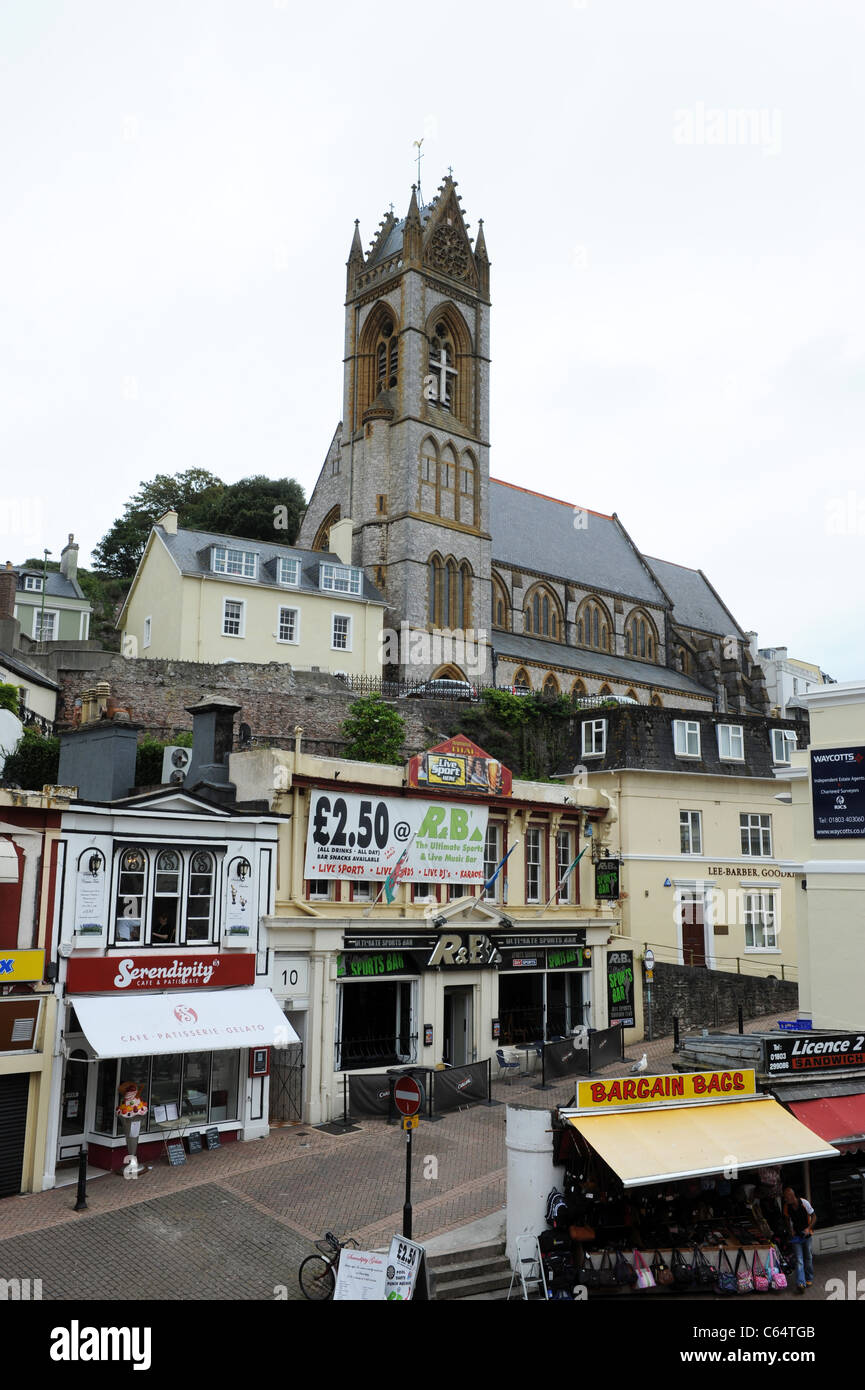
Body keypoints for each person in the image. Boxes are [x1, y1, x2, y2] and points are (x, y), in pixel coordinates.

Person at [783, 1185, 816, 1291]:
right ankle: (800, 1283)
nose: (785, 1199)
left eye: (786, 1197)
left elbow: (814, 1216)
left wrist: (808, 1228)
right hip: (796, 1236)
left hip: (807, 1234)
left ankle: (809, 1278)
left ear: (792, 1196)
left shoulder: (804, 1203)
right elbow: (787, 1219)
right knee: (799, 1259)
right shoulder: (786, 1207)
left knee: (808, 1258)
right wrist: (790, 1230)